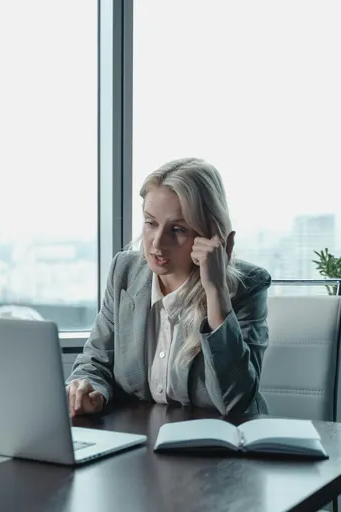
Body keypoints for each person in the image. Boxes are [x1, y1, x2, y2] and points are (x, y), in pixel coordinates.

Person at [66, 157, 271, 417]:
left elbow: (236, 402)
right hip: (143, 443)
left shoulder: (247, 286)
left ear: (211, 234)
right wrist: (89, 389)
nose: (157, 244)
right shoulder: (125, 272)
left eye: (178, 229)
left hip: (220, 449)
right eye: (150, 223)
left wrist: (216, 291)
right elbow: (95, 362)